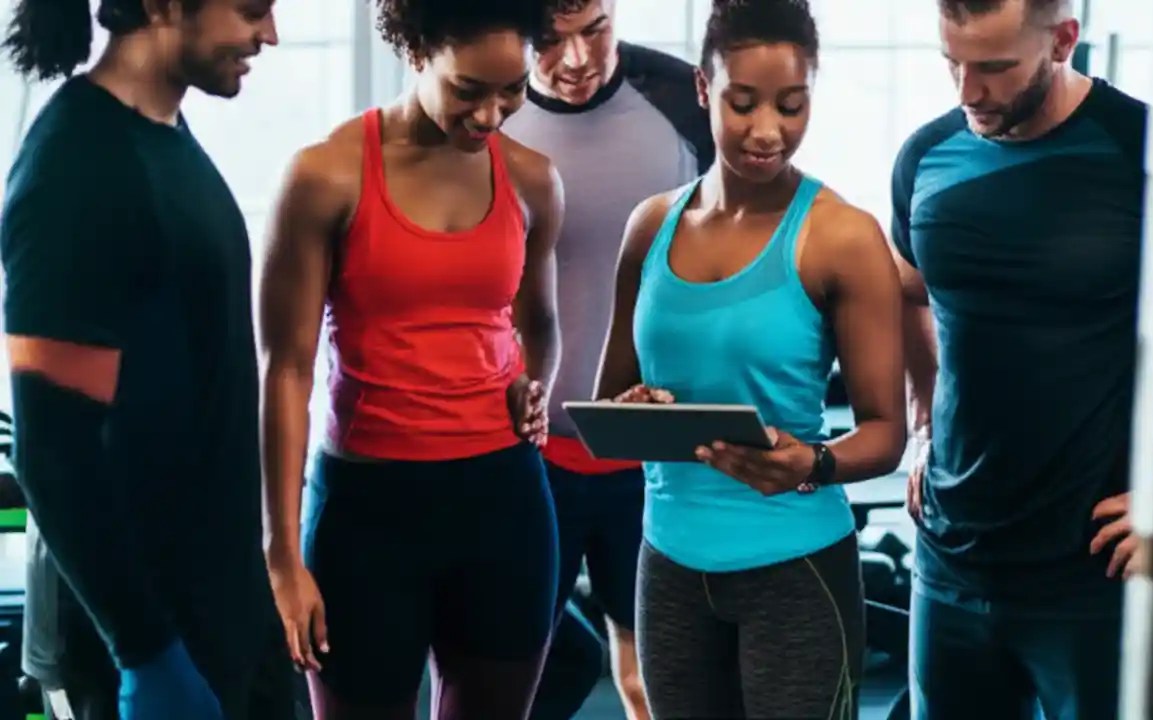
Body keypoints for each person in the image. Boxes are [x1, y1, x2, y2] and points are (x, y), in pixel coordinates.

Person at [893, 1, 1153, 718]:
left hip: (1098, 571)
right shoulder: (926, 156)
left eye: (995, 68)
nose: (967, 92)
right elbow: (913, 295)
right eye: (953, 63)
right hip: (950, 559)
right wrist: (923, 424)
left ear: (1064, 40)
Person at [593, 1, 908, 717]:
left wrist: (816, 464)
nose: (768, 130)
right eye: (743, 103)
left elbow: (886, 432)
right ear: (704, 89)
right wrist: (632, 410)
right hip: (668, 564)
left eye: (792, 106)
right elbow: (607, 402)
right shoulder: (650, 226)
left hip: (794, 568)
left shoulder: (844, 238)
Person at [257, 2, 565, 719]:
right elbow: (286, 371)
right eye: (468, 90)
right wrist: (281, 558)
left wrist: (533, 385)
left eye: (512, 89)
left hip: (504, 503)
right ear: (416, 49)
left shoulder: (534, 182)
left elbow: (539, 325)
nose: (491, 115)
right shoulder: (323, 176)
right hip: (368, 513)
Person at [0, 1, 293, 719]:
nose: (270, 34)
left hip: (219, 604)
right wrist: (146, 653)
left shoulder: (162, 135)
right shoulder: (78, 169)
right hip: (143, 633)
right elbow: (55, 452)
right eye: (252, 8)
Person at [500, 1, 715, 718]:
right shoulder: (484, 106)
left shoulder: (687, 97)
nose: (576, 59)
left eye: (593, 28)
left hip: (652, 456)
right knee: (508, 677)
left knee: (651, 682)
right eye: (548, 39)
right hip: (526, 457)